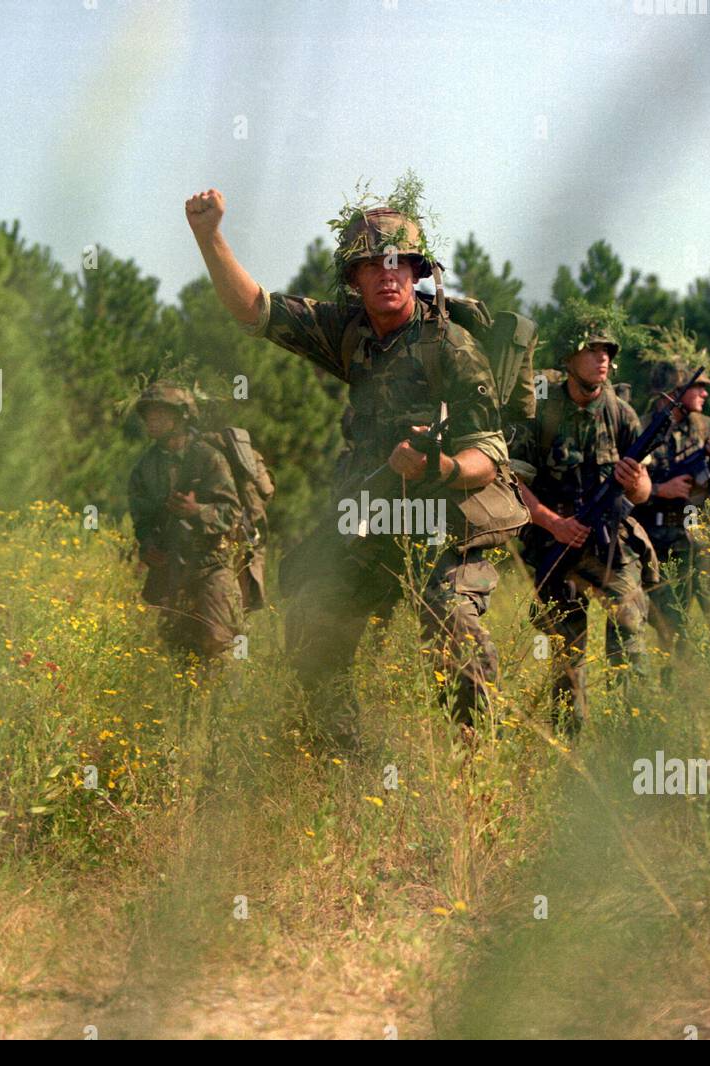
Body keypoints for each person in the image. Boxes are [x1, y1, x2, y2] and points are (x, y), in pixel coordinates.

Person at [184, 185, 526, 753]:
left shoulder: (453, 346)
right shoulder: (349, 332)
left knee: (452, 622)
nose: (387, 276)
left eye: (399, 264)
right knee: (315, 615)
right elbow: (255, 310)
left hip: (445, 520)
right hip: (376, 513)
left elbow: (487, 457)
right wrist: (208, 235)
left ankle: (475, 763)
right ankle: (348, 760)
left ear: (416, 271)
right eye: (372, 266)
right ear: (354, 279)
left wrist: (437, 465)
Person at [511, 301, 657, 733]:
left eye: (608, 351)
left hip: (611, 540)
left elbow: (645, 490)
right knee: (565, 652)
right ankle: (568, 744)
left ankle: (633, 734)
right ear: (569, 358)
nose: (603, 359)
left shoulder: (621, 412)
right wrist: (552, 523)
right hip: (557, 544)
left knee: (630, 632)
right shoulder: (541, 411)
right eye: (592, 350)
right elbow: (514, 481)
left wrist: (632, 482)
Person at [128, 381, 246, 661]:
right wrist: (147, 546)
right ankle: (187, 706)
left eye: (160, 414)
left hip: (211, 566)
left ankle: (226, 706)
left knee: (218, 644)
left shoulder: (208, 457)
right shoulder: (146, 467)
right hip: (171, 570)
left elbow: (233, 513)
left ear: (181, 417)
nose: (151, 421)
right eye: (148, 415)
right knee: (177, 649)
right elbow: (142, 519)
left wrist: (197, 511)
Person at [634, 354, 710, 648]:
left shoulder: (708, 428)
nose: (705, 393)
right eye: (698, 387)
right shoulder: (639, 429)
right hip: (661, 547)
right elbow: (620, 490)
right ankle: (677, 690)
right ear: (674, 391)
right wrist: (659, 490)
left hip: (705, 540)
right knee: (672, 632)